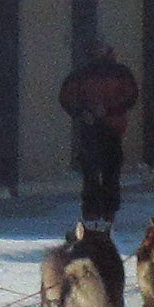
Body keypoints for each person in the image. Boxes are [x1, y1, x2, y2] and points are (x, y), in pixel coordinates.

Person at [58, 41, 139, 227]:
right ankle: (91, 211)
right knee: (90, 171)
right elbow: (67, 97)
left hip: (113, 127)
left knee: (111, 170)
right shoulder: (81, 73)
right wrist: (81, 112)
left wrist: (110, 111)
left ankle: (109, 211)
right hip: (90, 126)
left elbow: (131, 96)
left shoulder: (120, 72)